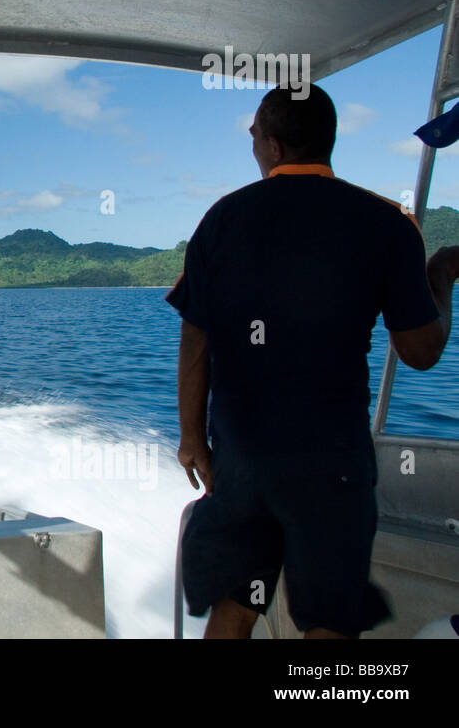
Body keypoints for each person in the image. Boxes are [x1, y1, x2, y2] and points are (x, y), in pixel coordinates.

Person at [166, 82, 459, 638]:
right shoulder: (387, 225)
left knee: (236, 605)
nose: (251, 143)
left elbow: (195, 343)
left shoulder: (222, 220)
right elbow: (420, 353)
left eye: (254, 134)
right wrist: (440, 275)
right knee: (327, 620)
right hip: (331, 465)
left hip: (243, 460)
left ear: (274, 147)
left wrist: (192, 440)